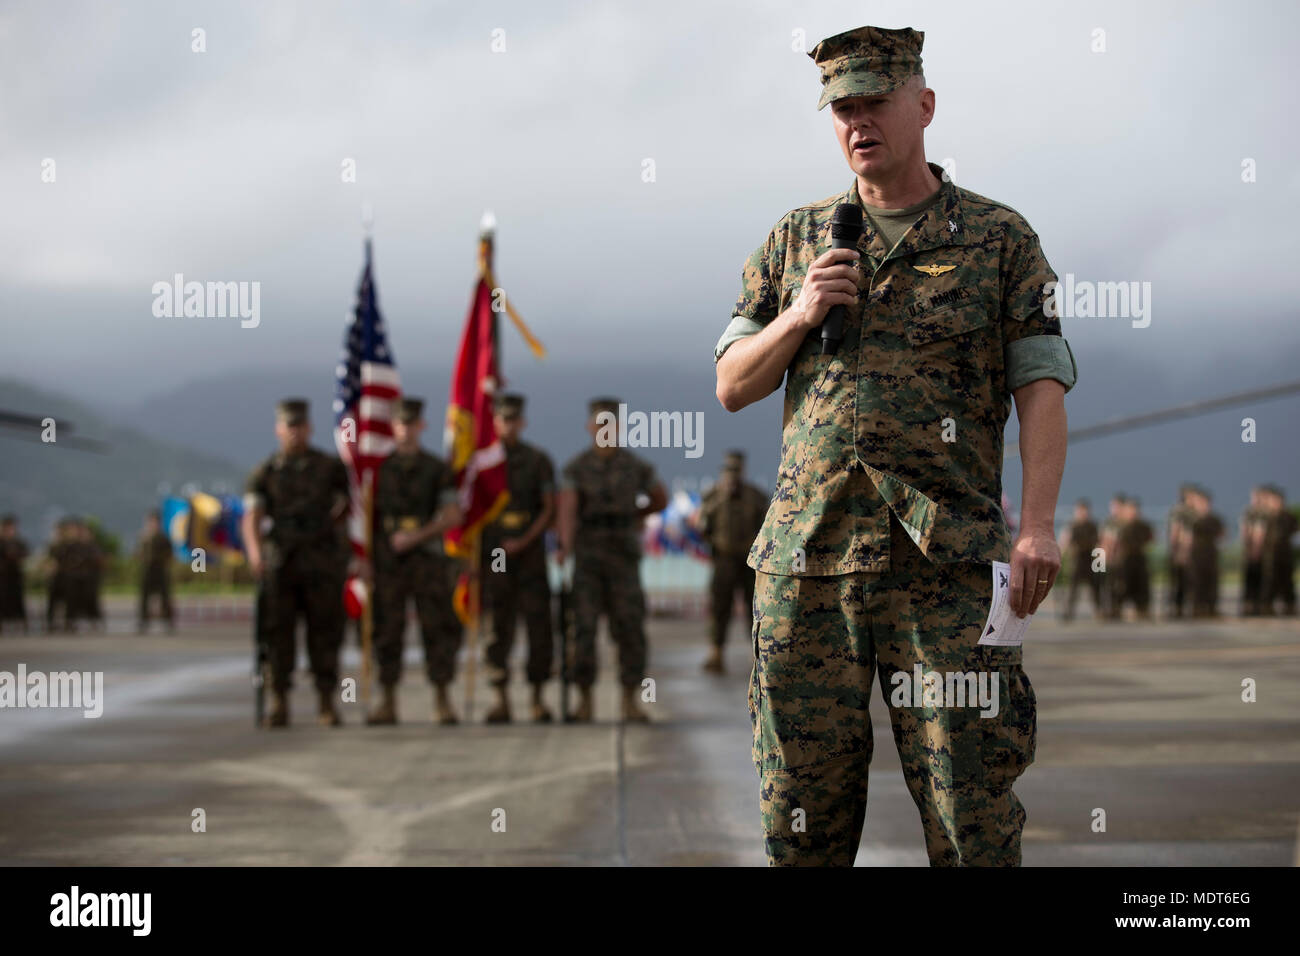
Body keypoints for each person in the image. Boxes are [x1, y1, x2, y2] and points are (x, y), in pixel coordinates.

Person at [714, 25, 1076, 866]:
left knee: (973, 817)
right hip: (807, 566)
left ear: (925, 105)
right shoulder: (793, 241)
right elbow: (733, 383)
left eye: (875, 101)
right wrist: (801, 317)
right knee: (800, 820)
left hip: (946, 570)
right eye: (842, 107)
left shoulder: (999, 241)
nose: (857, 121)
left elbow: (1042, 389)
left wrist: (1039, 526)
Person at [556, 397, 668, 723]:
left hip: (622, 555)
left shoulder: (635, 466)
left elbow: (659, 497)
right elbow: (568, 508)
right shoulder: (576, 467)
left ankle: (630, 701)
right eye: (599, 424)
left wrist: (637, 515)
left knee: (630, 627)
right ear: (590, 428)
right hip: (588, 556)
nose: (605, 430)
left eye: (611, 425)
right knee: (583, 629)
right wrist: (564, 546)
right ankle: (585, 700)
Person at [241, 398, 350, 728]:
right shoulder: (265, 471)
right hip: (281, 564)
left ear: (309, 428)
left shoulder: (329, 468)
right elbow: (252, 517)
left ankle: (327, 702)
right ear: (279, 430)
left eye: (300, 426)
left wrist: (331, 534)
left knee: (326, 634)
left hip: (321, 563)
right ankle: (279, 700)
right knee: (277, 636)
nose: (295, 432)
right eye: (289, 426)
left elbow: (349, 507)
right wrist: (256, 554)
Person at [366, 397, 465, 727]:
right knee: (387, 629)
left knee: (437, 628)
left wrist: (417, 536)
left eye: (412, 424)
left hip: (427, 559)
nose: (406, 430)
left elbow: (452, 516)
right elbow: (367, 519)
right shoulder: (378, 471)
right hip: (389, 561)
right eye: (400, 424)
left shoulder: (437, 470)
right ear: (392, 427)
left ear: (422, 426)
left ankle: (442, 699)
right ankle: (388, 700)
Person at [480, 393, 556, 724]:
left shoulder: (538, 460)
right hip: (494, 554)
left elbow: (549, 508)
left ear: (522, 422)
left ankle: (538, 698)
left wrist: (525, 540)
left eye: (514, 420)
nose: (509, 425)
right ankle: (500, 698)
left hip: (530, 552)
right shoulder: (482, 461)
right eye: (503, 419)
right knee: (498, 625)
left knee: (538, 624)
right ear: (494, 421)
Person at [695, 450, 768, 673]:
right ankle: (716, 653)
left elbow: (765, 525)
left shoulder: (755, 496)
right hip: (723, 560)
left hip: (748, 561)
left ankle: (756, 655)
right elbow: (702, 526)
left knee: (753, 608)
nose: (733, 475)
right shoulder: (713, 496)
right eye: (729, 470)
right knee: (719, 608)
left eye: (736, 470)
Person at [1060, 498, 1101, 621]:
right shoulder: (1072, 525)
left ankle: (1099, 611)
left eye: (1085, 510)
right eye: (1080, 510)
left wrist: (1101, 565)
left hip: (1091, 559)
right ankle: (1069, 612)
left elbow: (1100, 544)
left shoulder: (1093, 526)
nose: (1083, 513)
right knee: (1073, 588)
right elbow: (1065, 542)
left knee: (1095, 587)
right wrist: (1061, 557)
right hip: (1077, 560)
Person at [1186, 486, 1224, 618]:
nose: (1200, 505)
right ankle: (1197, 607)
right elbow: (1185, 537)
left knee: (1211, 582)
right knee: (1196, 582)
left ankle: (1212, 608)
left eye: (1203, 502)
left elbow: (1222, 535)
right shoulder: (1190, 519)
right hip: (1196, 554)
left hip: (1211, 553)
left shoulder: (1214, 519)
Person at [1260, 485, 1297, 616]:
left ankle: (1290, 606)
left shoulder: (1288, 516)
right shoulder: (1265, 517)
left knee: (1287, 580)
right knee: (1270, 580)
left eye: (1275, 500)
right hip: (1270, 553)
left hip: (1285, 552)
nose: (1272, 503)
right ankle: (1267, 607)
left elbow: (1295, 531)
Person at [136, 510, 175, 633]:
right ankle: (143, 621)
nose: (152, 524)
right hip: (147, 570)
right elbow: (139, 553)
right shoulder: (144, 537)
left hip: (160, 570)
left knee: (165, 597)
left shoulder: (163, 538)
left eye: (155, 522)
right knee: (144, 597)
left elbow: (169, 554)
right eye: (150, 522)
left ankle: (168, 621)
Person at [1117, 498, 1154, 620]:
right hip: (1125, 559)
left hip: (1140, 558)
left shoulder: (1144, 526)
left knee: (1142, 585)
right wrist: (1100, 566)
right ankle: (1120, 609)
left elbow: (1151, 540)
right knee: (1124, 586)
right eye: (1130, 509)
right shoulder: (1119, 525)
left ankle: (1142, 609)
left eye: (1135, 510)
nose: (1133, 512)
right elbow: (1106, 544)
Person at [1166, 485, 1195, 618]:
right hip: (1180, 551)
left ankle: (1182, 607)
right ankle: (1176, 608)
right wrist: (1177, 551)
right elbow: (1175, 531)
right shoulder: (1181, 511)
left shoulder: (1190, 511)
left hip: (1189, 551)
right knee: (1178, 580)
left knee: (1186, 581)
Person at [1239, 486, 1269, 616]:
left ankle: (1259, 605)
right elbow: (1245, 530)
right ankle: (1249, 606)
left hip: (1263, 551)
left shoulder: (1264, 512)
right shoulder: (1250, 512)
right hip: (1252, 550)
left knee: (1261, 579)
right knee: (1250, 578)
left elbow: (1259, 533)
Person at [0, 514, 29, 634]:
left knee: (17, 600)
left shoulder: (18, 542)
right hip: (2, 576)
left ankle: (20, 623)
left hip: (15, 575)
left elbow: (25, 553)